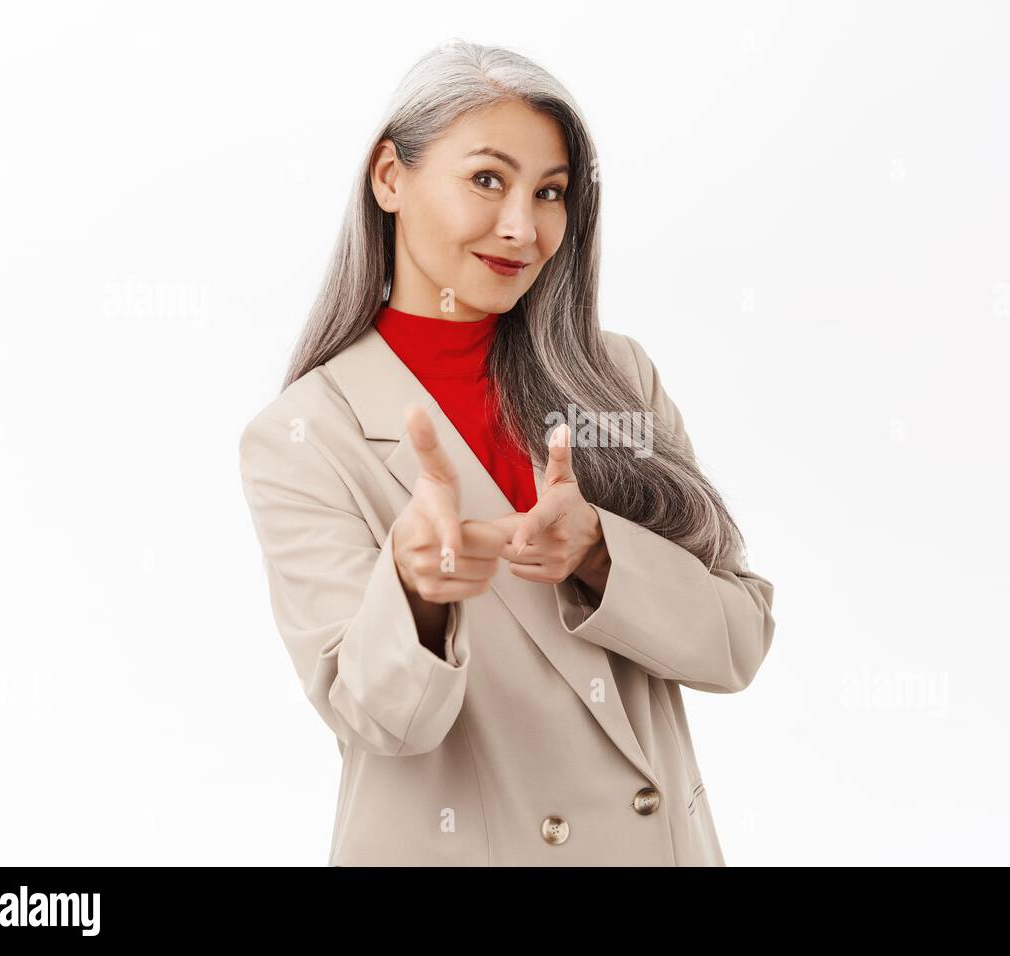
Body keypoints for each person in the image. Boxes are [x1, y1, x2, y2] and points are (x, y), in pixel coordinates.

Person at [238, 39, 776, 866]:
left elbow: (738, 643)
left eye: (550, 192)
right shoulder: (305, 436)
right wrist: (417, 596)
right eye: (487, 179)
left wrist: (600, 553)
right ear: (390, 177)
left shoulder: (615, 381)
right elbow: (384, 721)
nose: (523, 228)